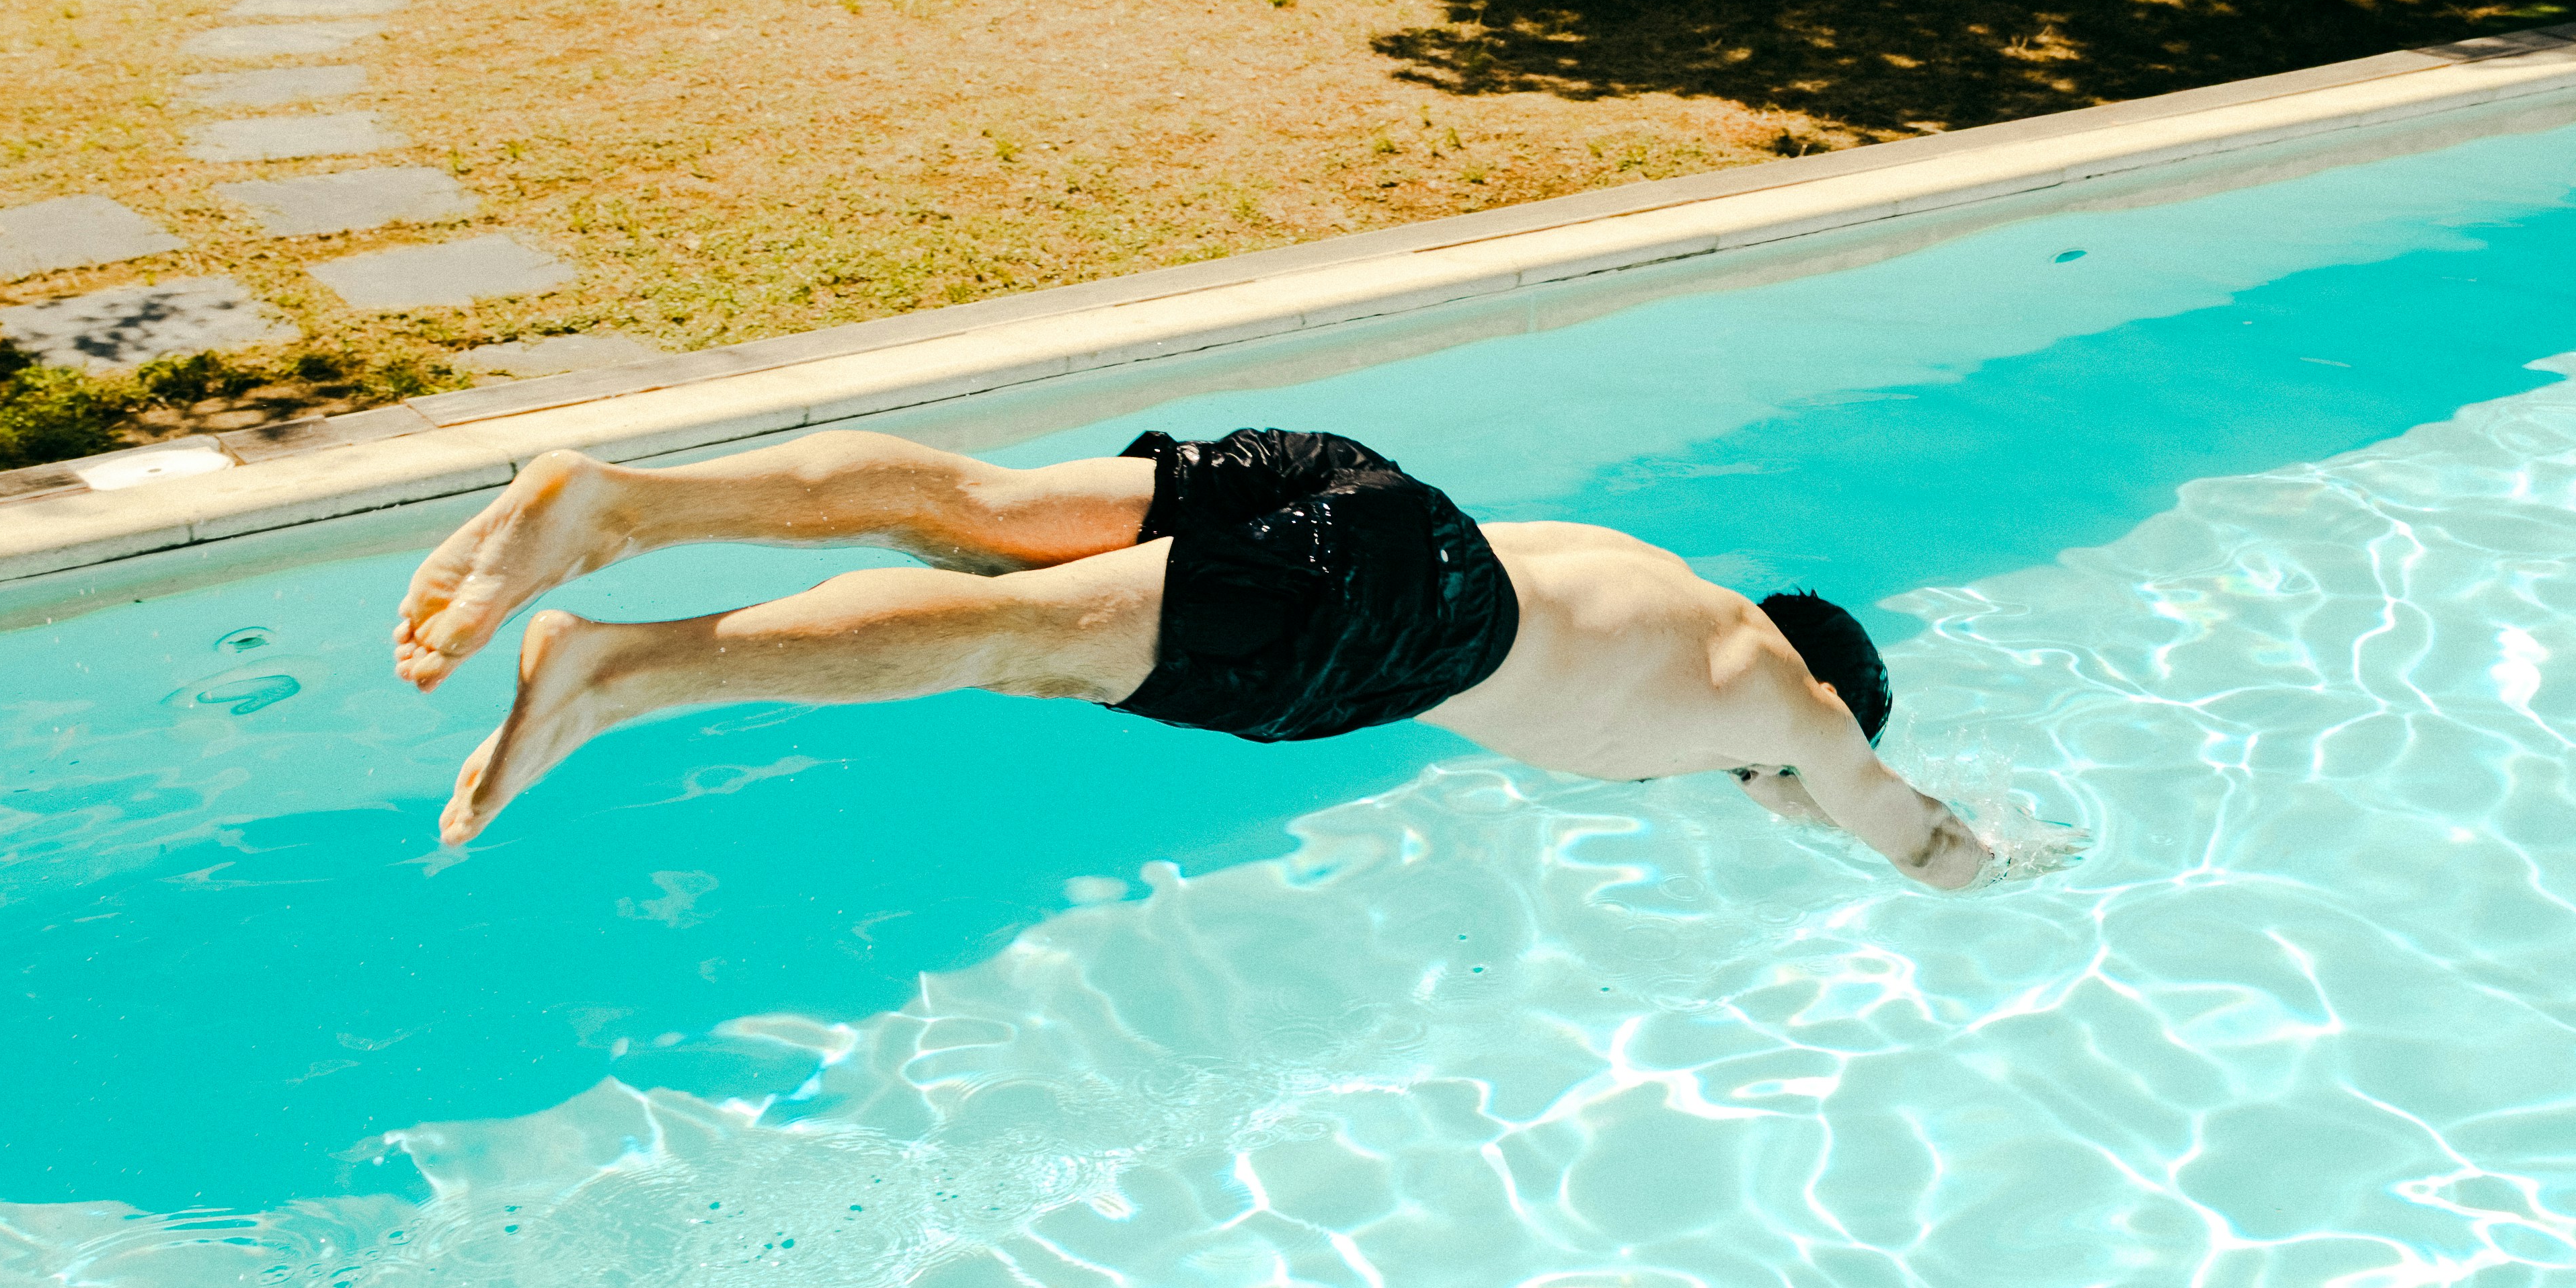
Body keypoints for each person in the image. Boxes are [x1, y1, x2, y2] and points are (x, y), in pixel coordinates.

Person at [390, 428, 1993, 889]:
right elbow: (1890, 821)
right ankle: (608, 667)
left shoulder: (1660, 580)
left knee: (982, 510)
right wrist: (2009, 860)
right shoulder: (1776, 698)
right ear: (1820, 685)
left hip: (1382, 503)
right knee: (1010, 641)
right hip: (1401, 619)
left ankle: (624, 500)